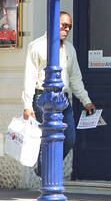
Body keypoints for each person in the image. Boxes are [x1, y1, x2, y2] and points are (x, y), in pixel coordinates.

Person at [22, 11, 94, 180]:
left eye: (69, 26)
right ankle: (46, 173)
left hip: (64, 99)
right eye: (63, 25)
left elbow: (75, 77)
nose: (67, 29)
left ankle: (44, 168)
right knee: (48, 137)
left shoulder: (70, 48)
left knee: (69, 139)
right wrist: (27, 105)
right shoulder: (37, 46)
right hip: (43, 98)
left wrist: (86, 101)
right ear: (54, 24)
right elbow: (30, 76)